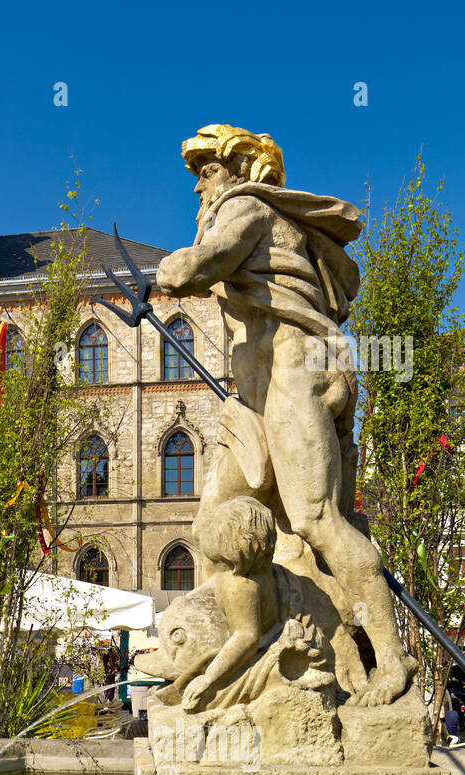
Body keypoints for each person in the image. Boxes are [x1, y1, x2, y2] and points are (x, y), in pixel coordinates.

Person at [155, 124, 411, 708]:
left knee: (317, 521)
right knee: (212, 526)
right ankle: (235, 651)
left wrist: (166, 270)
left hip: (294, 376)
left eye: (208, 172)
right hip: (256, 399)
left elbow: (199, 267)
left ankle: (390, 662)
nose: (198, 187)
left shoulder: (247, 206)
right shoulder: (248, 214)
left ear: (241, 171)